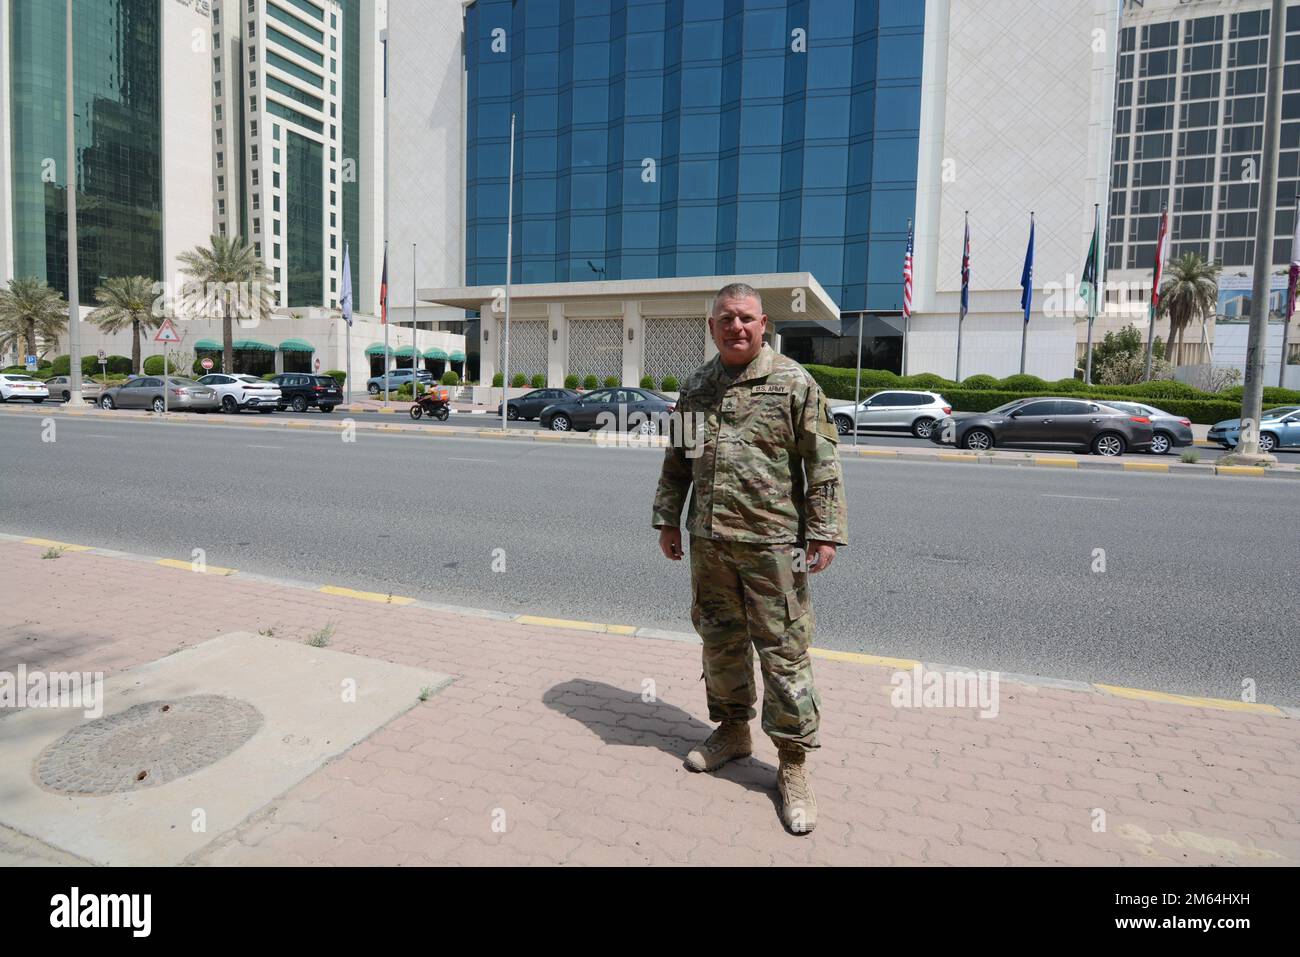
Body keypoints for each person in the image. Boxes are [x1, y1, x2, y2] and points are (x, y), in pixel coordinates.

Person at [652, 281, 847, 834]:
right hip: (709, 544)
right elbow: (678, 462)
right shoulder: (696, 388)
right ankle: (733, 730)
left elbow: (822, 462)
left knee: (784, 652)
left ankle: (792, 763)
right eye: (725, 319)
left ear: (764, 324)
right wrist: (669, 518)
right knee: (720, 640)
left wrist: (824, 530)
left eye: (746, 318)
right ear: (712, 327)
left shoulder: (793, 383)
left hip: (772, 547)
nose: (736, 327)